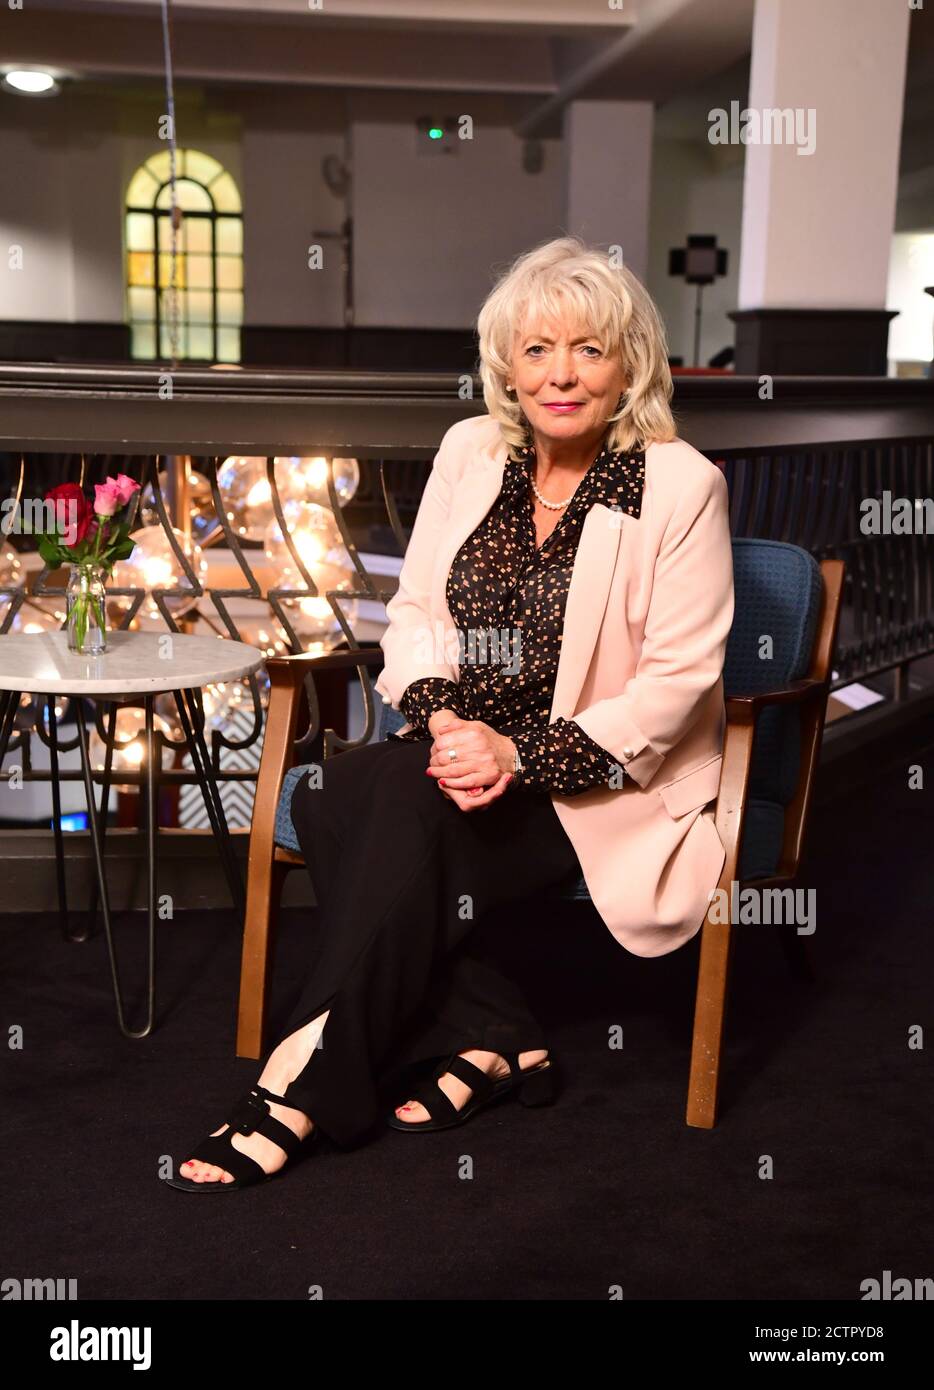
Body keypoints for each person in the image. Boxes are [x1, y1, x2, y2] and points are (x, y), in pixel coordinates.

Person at [167, 235, 734, 1192]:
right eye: (537, 350)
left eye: (589, 349)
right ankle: (495, 1035)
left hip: (591, 782)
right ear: (506, 368)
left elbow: (677, 686)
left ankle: (299, 1084)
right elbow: (420, 609)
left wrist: (516, 753)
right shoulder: (472, 451)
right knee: (346, 790)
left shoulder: (681, 486)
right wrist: (443, 726)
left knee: (364, 801)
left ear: (629, 362)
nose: (561, 374)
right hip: (456, 747)